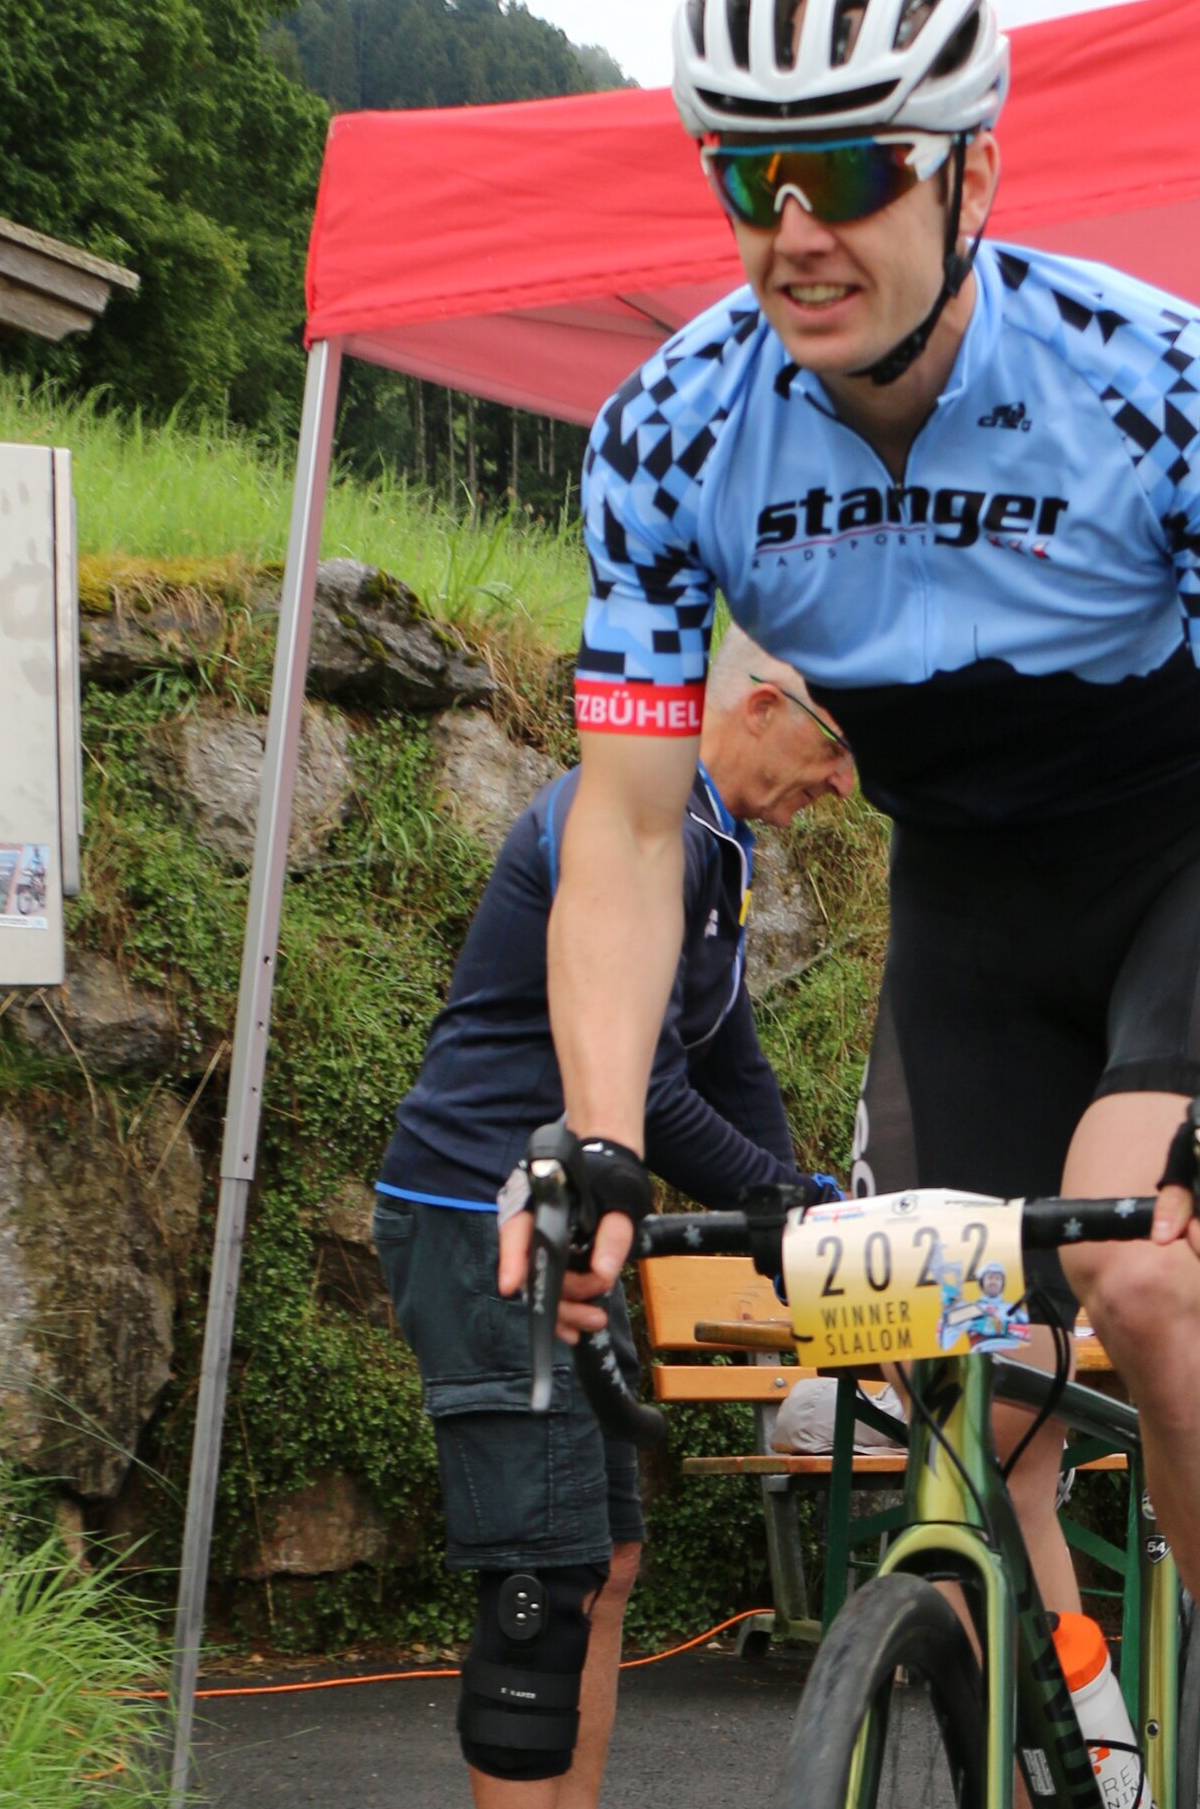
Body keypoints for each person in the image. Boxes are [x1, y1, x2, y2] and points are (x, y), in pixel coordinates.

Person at [504, 0, 1200, 1809]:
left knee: (1145, 1277)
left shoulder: (1168, 385)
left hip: (1175, 876)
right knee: (952, 1378)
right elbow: (631, 826)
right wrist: (590, 1129)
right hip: (966, 911)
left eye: (852, 169)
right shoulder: (671, 431)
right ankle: (1085, 1752)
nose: (795, 227)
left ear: (972, 169)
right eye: (750, 174)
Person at [376, 629, 853, 1809]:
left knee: (605, 1559)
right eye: (838, 748)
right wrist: (776, 1202)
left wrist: (812, 1206)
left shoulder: (711, 839)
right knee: (537, 1587)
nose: (843, 783)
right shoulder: (634, 825)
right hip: (487, 1211)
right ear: (755, 704)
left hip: (575, 1222)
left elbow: (721, 1053)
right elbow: (636, 1090)